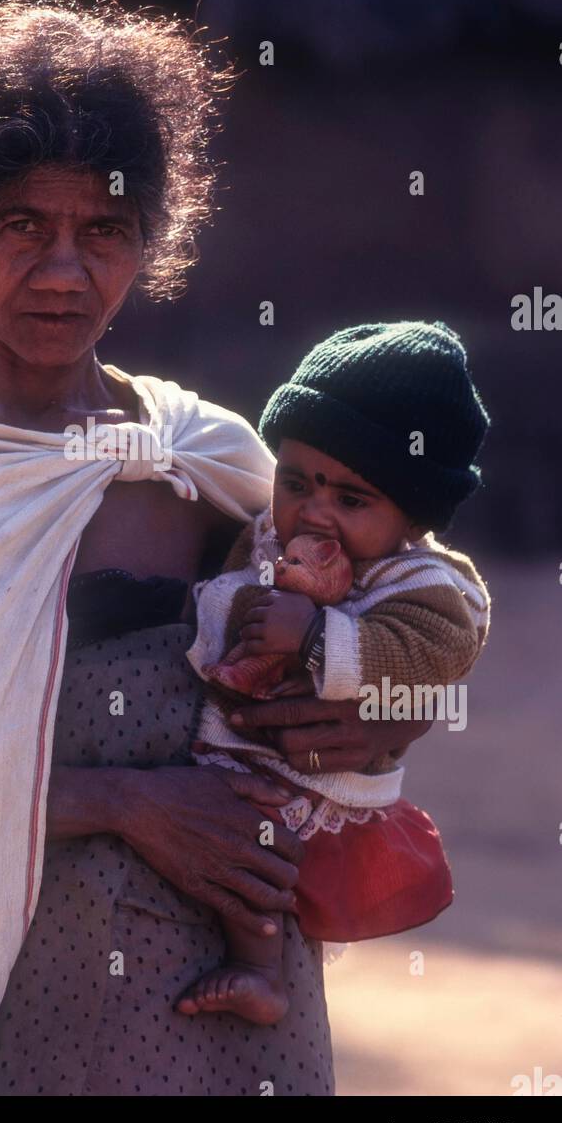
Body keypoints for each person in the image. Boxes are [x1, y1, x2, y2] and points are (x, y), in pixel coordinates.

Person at [0, 0, 432, 1097]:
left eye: (105, 232)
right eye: (22, 225)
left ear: (151, 244)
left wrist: (366, 705)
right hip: (4, 1004)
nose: (63, 271)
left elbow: (392, 633)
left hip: (228, 1010)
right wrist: (127, 803)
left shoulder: (203, 460)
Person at [179, 320, 490, 1026]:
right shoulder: (264, 536)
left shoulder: (428, 582)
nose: (312, 512)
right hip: (238, 744)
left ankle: (258, 970)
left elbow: (433, 651)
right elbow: (218, 592)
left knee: (251, 853)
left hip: (316, 781)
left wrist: (320, 635)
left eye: (350, 500)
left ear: (411, 515)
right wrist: (234, 615)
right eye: (295, 482)